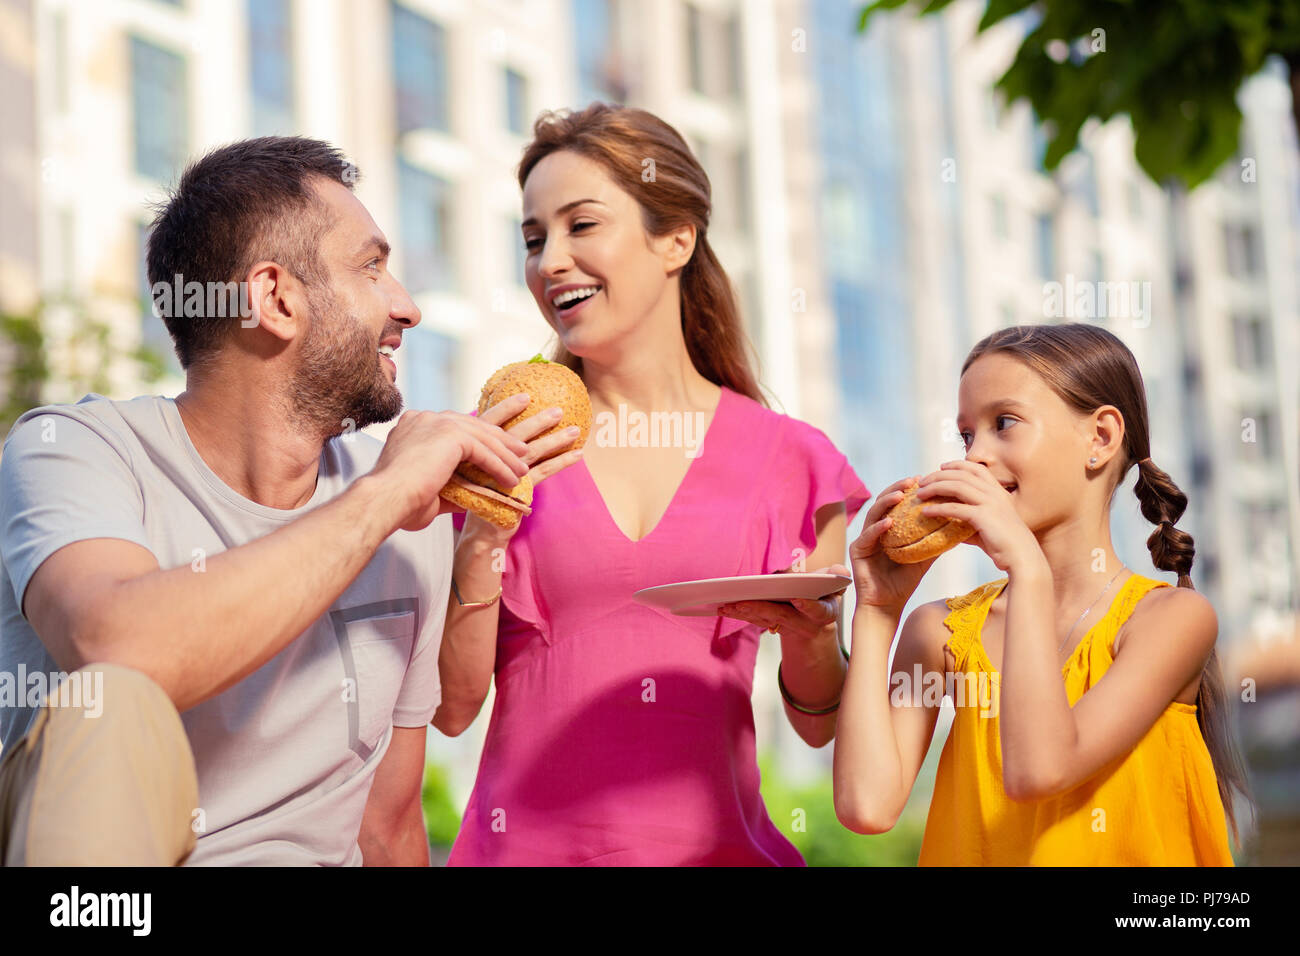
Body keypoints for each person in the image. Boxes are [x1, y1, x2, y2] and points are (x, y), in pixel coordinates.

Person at [0, 136, 552, 865]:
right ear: (274, 299)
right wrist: (383, 497)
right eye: (371, 267)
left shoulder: (405, 517)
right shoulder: (76, 448)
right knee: (112, 703)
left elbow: (387, 827)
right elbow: (118, 646)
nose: (407, 308)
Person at [433, 103, 870, 865]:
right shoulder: (500, 438)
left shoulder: (794, 460)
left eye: (581, 225)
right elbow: (451, 706)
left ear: (676, 239)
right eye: (534, 240)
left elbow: (818, 719)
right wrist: (483, 539)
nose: (551, 261)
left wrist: (809, 635)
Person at [834, 322, 1254, 865]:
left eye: (1003, 423)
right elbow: (867, 807)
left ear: (1099, 438)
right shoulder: (940, 632)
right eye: (966, 435)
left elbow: (1040, 769)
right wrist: (876, 611)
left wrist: (1027, 571)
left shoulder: (1173, 620)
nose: (973, 456)